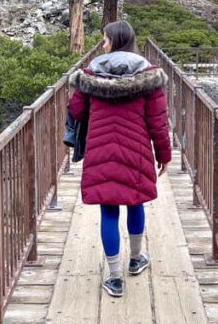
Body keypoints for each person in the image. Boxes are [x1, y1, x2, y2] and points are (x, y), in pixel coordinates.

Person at [67, 20, 171, 297]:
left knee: (108, 210)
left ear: (114, 41)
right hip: (136, 152)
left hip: (100, 151)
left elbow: (75, 110)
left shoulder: (91, 73)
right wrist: (164, 154)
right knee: (135, 203)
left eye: (104, 39)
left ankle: (114, 277)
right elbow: (158, 123)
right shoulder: (148, 76)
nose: (102, 45)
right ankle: (136, 260)